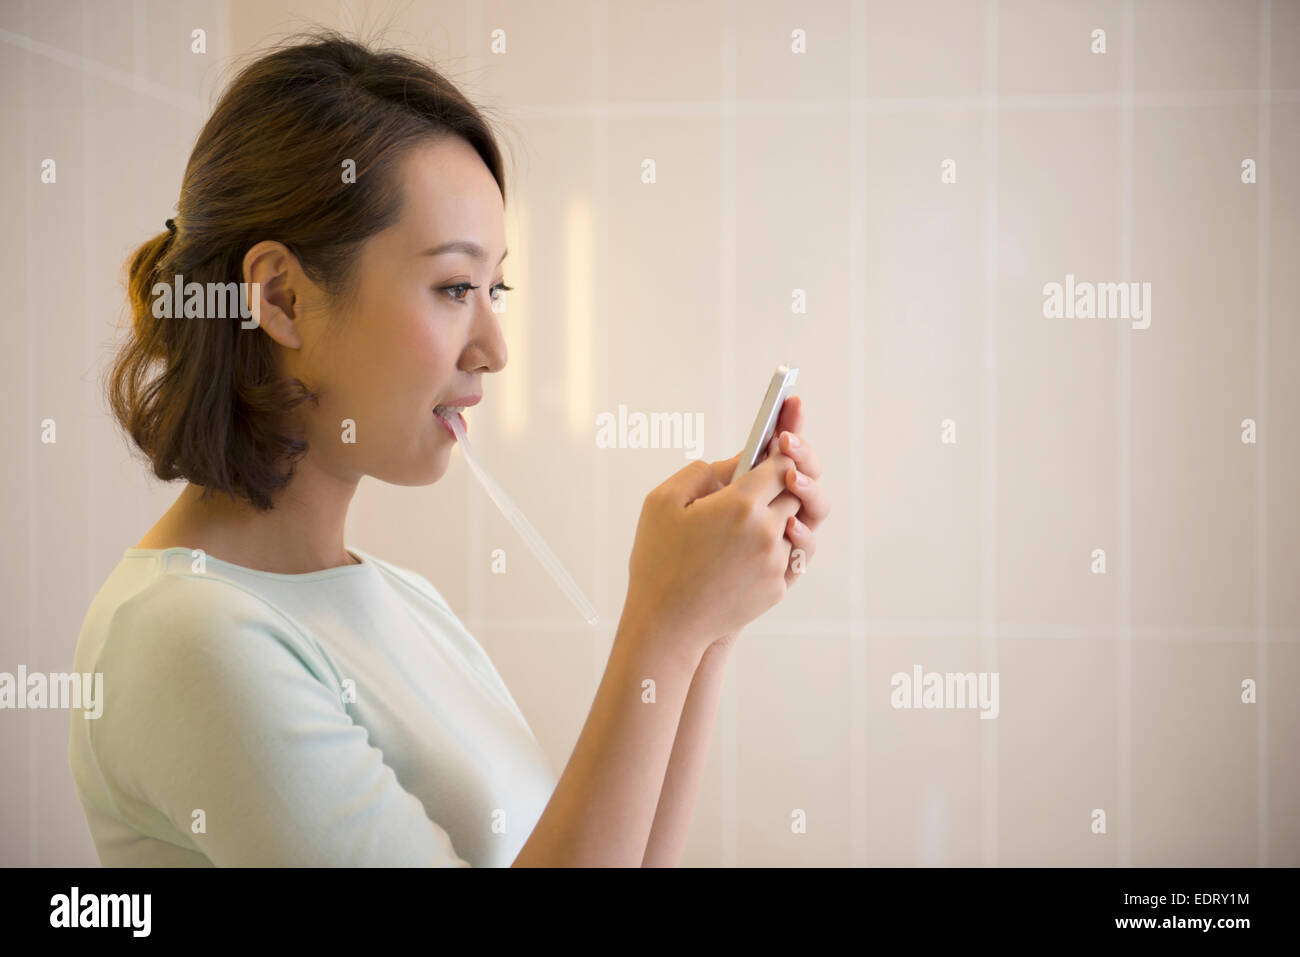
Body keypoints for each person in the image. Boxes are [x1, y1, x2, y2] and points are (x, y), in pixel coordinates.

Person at [68, 30, 831, 867]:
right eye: (455, 287)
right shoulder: (186, 634)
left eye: (493, 287)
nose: (494, 348)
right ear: (280, 298)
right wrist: (663, 627)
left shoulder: (402, 601)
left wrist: (708, 624)